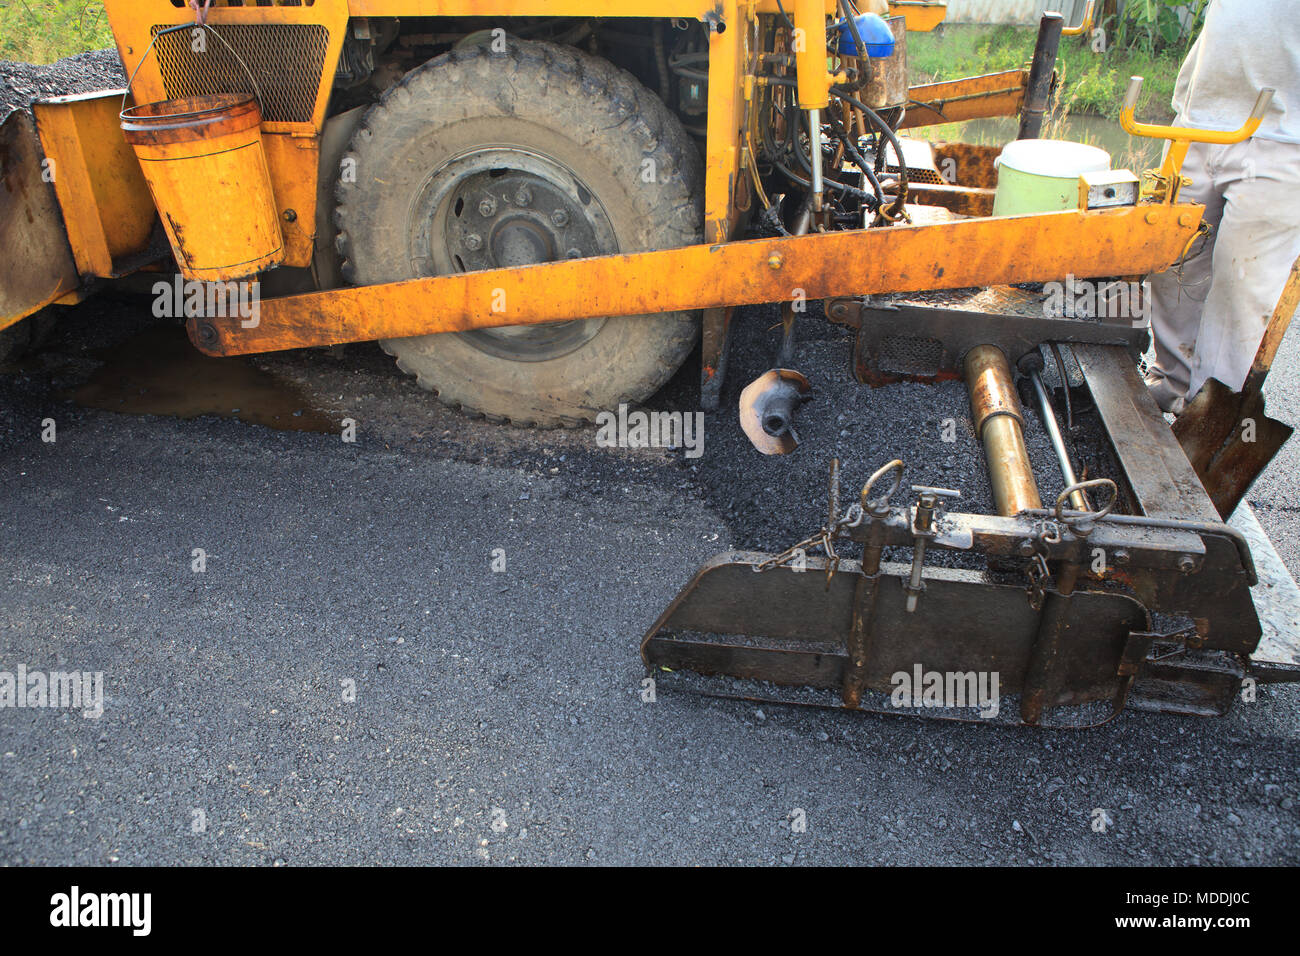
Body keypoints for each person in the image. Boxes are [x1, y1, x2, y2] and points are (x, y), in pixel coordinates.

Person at [1144, 0, 1300, 413]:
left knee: (1241, 284)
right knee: (1174, 261)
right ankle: (1173, 381)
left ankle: (1210, 412)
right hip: (1199, 119)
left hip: (1286, 136)